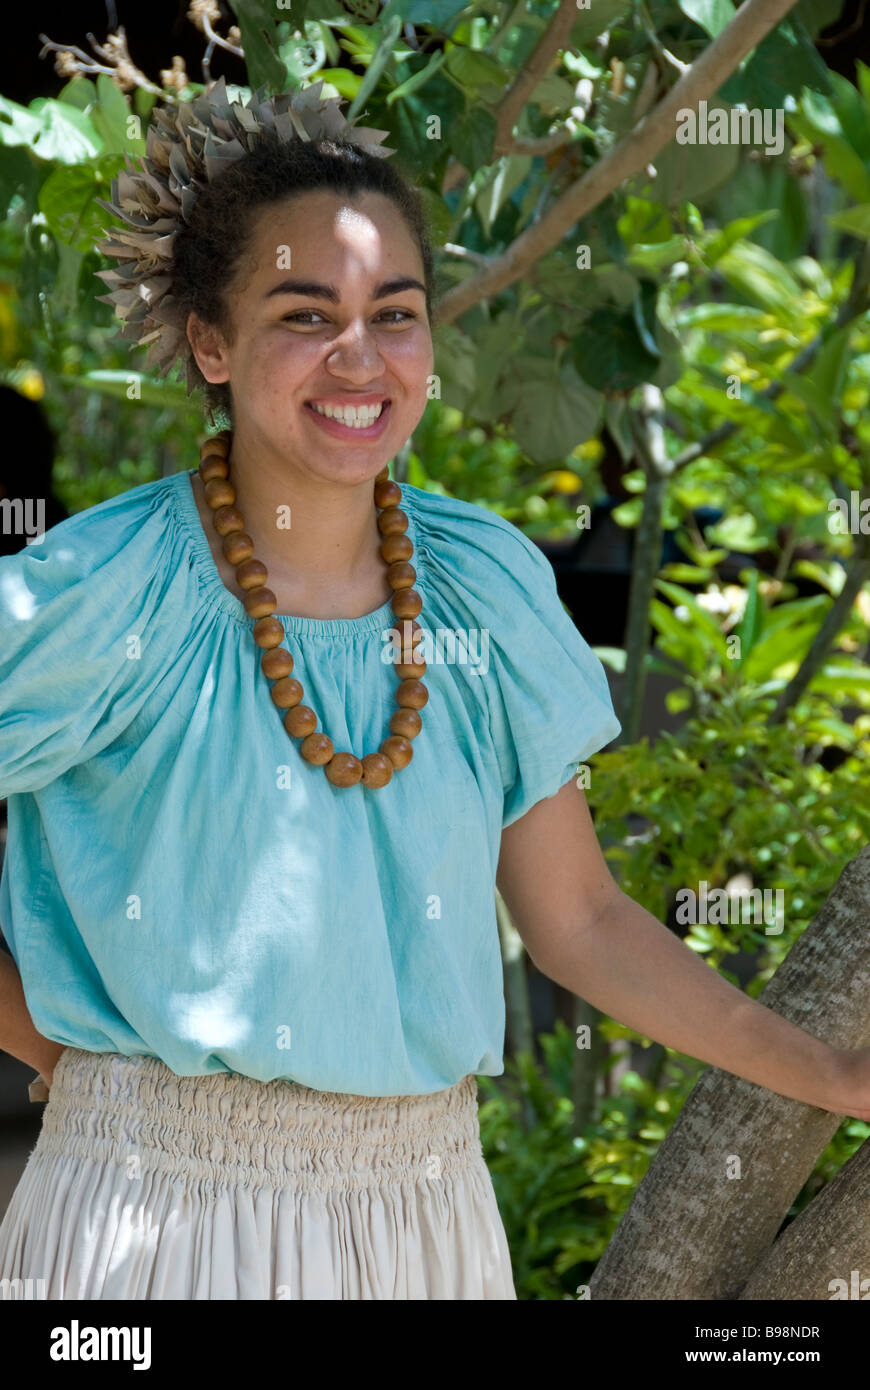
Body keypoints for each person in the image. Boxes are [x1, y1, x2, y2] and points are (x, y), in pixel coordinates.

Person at [1, 80, 867, 1303]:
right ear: (210, 341)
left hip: (426, 1220)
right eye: (306, 314)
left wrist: (833, 1075)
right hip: (155, 1218)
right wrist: (63, 1049)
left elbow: (579, 920)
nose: (361, 357)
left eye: (393, 312)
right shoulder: (101, 591)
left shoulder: (483, 588)